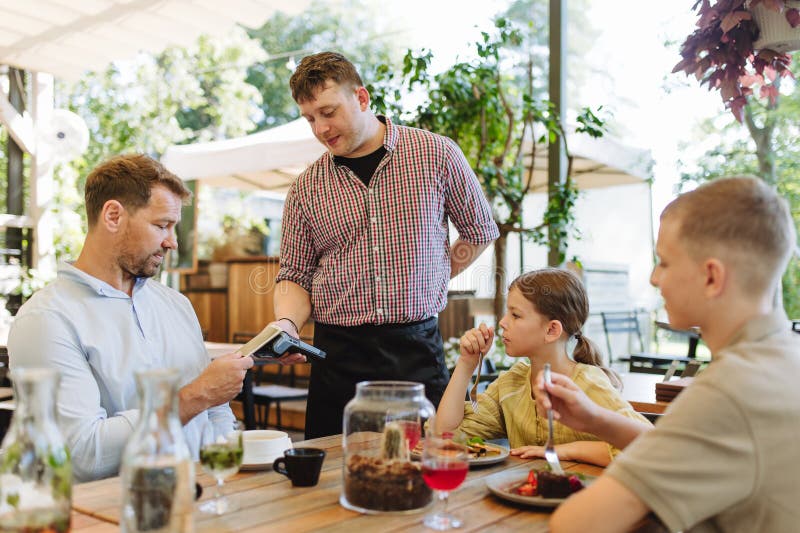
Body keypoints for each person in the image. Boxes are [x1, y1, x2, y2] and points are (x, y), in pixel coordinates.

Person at [537, 177, 800, 532]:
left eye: (664, 262)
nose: (653, 278)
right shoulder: (781, 360)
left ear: (711, 277)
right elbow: (694, 447)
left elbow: (574, 525)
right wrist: (595, 420)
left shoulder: (731, 389)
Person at [273, 51, 499, 439]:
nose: (320, 128)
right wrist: (287, 323)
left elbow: (479, 231)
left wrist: (437, 274)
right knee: (332, 479)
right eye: (310, 118)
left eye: (328, 112)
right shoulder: (305, 187)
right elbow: (294, 273)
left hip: (416, 351)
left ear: (361, 98)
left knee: (425, 468)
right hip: (337, 356)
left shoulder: (436, 154)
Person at [7, 154, 254, 482]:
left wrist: (224, 483)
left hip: (201, 502)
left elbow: (216, 412)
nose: (172, 241)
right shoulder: (45, 320)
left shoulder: (177, 305)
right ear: (113, 216)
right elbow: (81, 455)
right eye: (161, 225)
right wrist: (196, 394)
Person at [434, 268, 650, 466]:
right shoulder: (511, 383)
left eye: (515, 315)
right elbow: (445, 435)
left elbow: (651, 448)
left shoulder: (588, 384)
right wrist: (466, 364)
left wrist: (565, 450)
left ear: (552, 330)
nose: (502, 322)